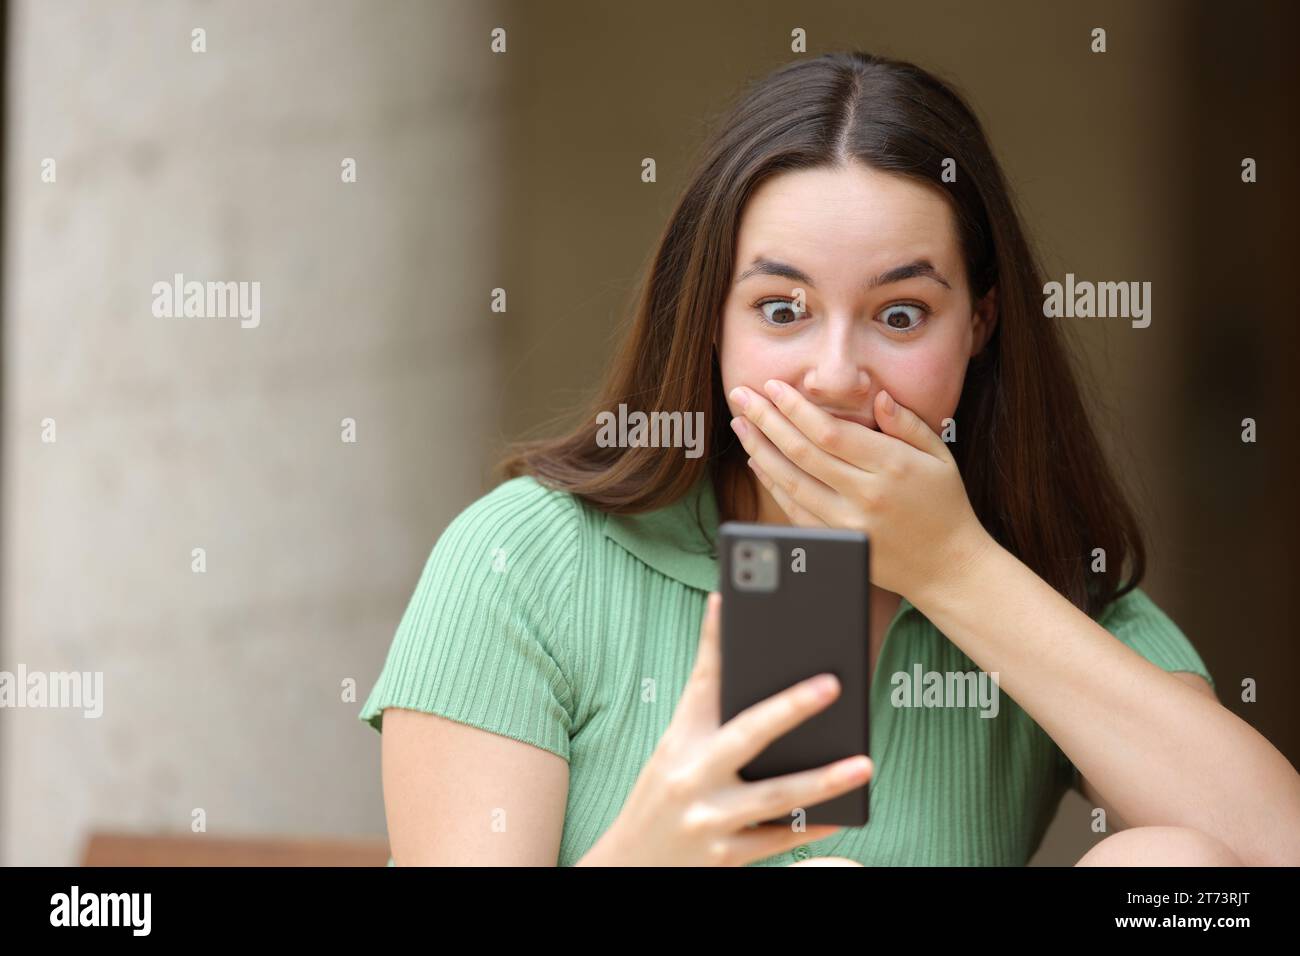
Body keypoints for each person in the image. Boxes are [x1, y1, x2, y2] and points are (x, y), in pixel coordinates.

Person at [359, 50, 1300, 866]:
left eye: (901, 315)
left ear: (979, 324)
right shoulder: (524, 561)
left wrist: (952, 567)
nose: (836, 374)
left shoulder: (1044, 585)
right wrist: (662, 849)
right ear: (711, 322)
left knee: (1174, 872)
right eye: (781, 309)